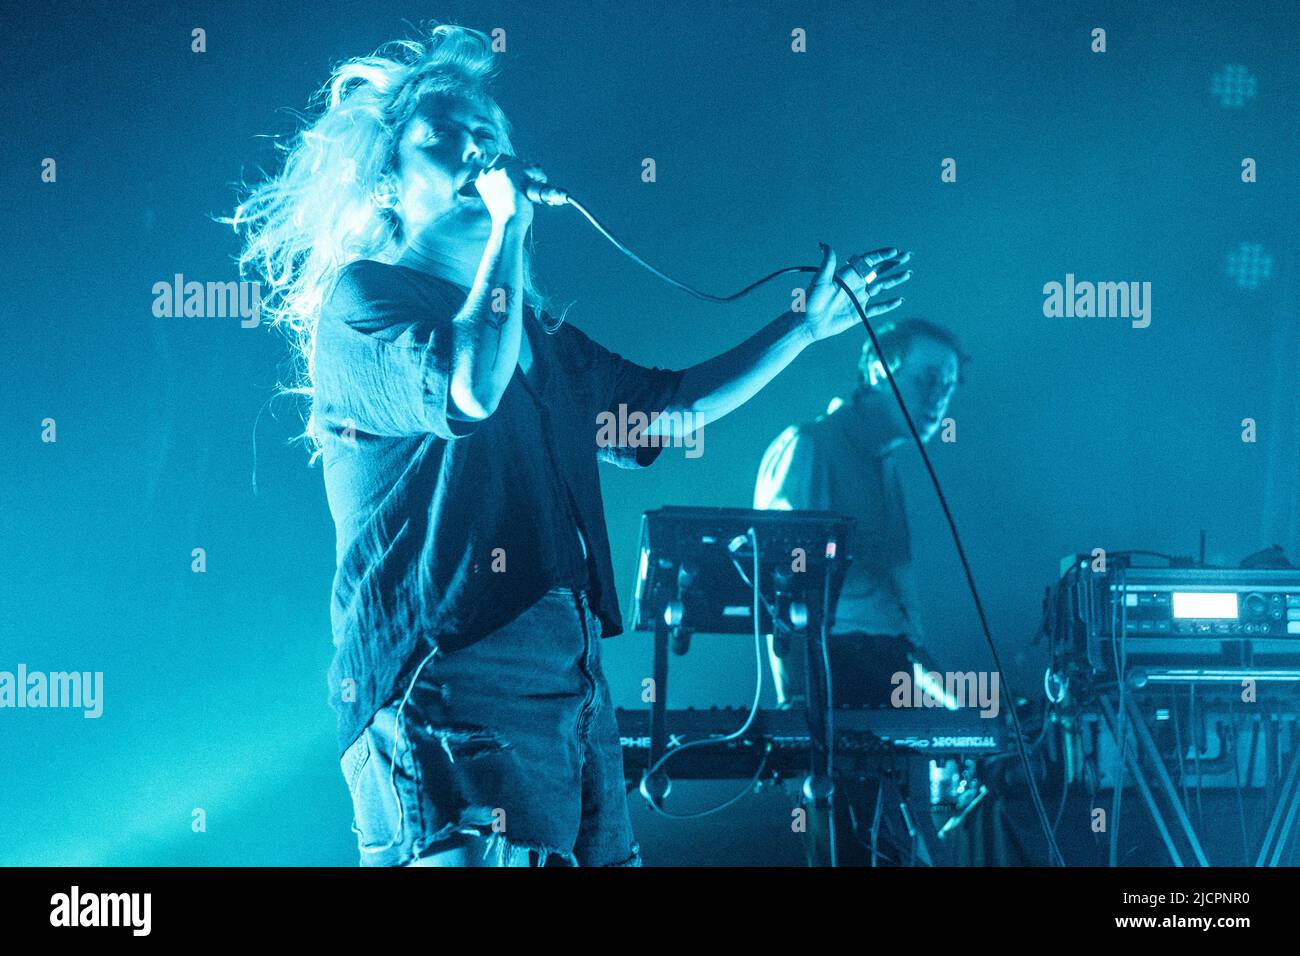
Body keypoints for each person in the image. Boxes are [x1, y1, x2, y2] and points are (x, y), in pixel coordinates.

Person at [231, 24, 912, 866]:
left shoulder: (542, 341)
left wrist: (800, 334)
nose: (478, 150)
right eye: (446, 134)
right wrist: (510, 226)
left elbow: (665, 413)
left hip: (575, 678)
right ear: (385, 181)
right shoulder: (365, 300)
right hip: (449, 675)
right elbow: (467, 390)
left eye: (491, 136)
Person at [753, 317, 965, 865]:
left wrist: (958, 710)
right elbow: (779, 596)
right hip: (836, 676)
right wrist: (798, 715)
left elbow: (895, 618)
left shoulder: (886, 467)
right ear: (877, 368)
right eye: (927, 381)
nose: (939, 399)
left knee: (904, 849)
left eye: (948, 387)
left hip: (887, 670)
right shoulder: (810, 447)